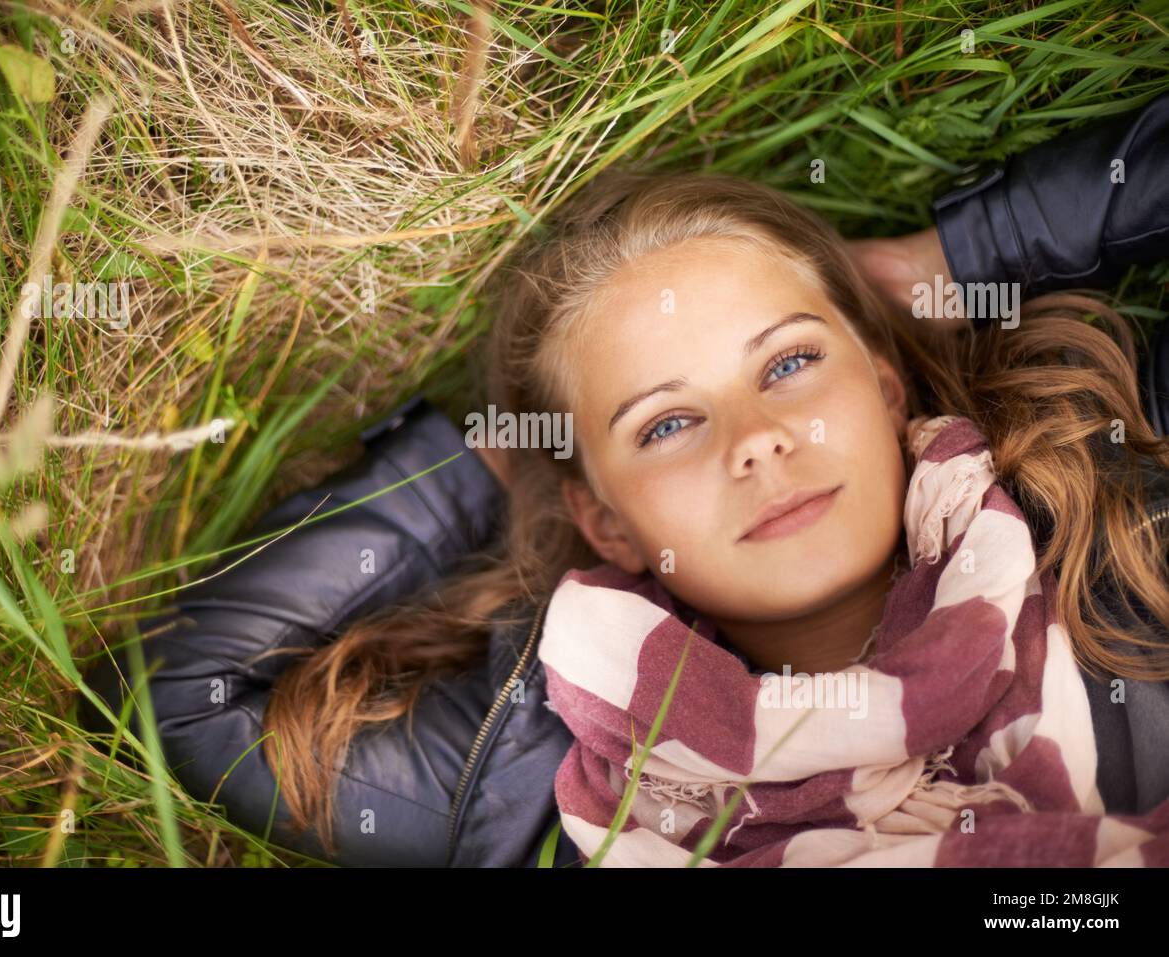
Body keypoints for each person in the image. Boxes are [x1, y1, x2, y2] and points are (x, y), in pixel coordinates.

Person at [80, 92, 1169, 867]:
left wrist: (948, 259)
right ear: (601, 519)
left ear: (885, 390)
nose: (754, 439)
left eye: (789, 363)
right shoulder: (532, 769)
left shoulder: (1117, 517)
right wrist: (480, 469)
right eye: (667, 425)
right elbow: (180, 695)